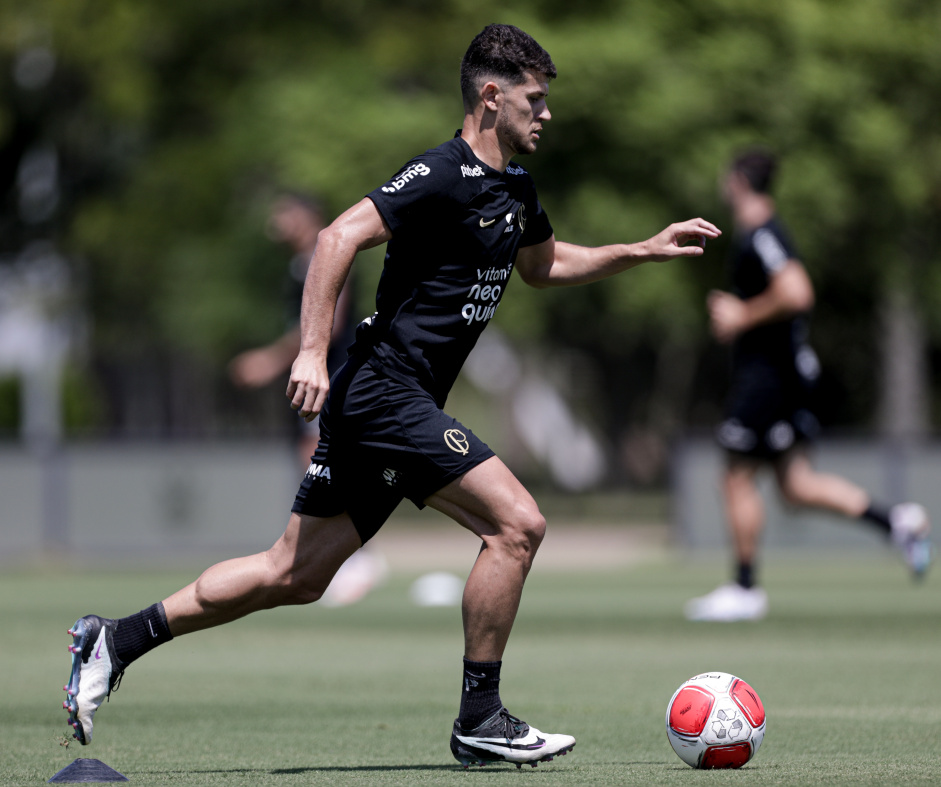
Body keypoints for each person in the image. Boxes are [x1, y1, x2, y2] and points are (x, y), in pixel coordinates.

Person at [62, 24, 720, 768]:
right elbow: (336, 237)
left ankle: (114, 639)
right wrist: (312, 348)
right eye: (534, 100)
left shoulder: (516, 189)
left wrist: (637, 248)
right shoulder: (440, 173)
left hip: (390, 402)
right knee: (517, 524)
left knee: (294, 573)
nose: (546, 115)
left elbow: (543, 266)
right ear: (490, 96)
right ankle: (481, 716)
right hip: (382, 392)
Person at [684, 148, 933, 623]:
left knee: (735, 476)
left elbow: (797, 291)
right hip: (787, 375)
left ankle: (744, 589)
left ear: (737, 181)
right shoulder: (758, 233)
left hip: (770, 379)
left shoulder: (762, 234)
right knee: (796, 487)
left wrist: (742, 315)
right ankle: (898, 521)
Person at [228, 191, 386, 606]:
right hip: (317, 381)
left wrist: (270, 359)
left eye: (283, 214)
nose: (274, 224)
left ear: (307, 215)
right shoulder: (299, 264)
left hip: (335, 378)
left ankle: (356, 558)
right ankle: (339, 558)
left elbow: (328, 326)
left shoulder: (330, 251)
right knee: (313, 460)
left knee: (318, 460)